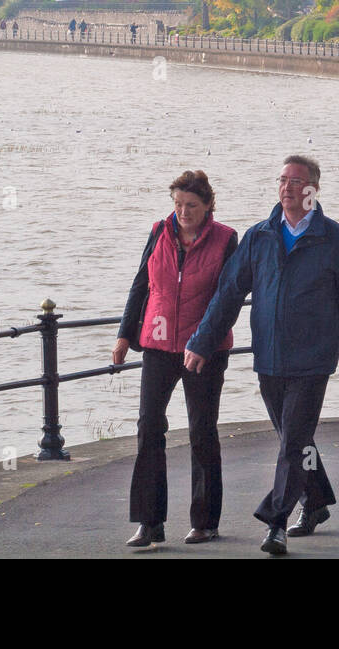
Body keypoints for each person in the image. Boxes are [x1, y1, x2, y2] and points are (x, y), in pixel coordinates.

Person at [185, 155, 339, 556]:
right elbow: (229, 294)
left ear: (313, 190)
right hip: (269, 356)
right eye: (283, 180)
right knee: (295, 438)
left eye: (297, 181)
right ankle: (317, 501)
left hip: (313, 359)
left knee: (292, 443)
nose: (288, 187)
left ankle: (275, 522)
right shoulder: (260, 237)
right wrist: (203, 341)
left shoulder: (336, 241)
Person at [115, 171, 238, 547]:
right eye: (179, 204)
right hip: (157, 343)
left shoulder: (226, 240)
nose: (183, 211)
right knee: (149, 426)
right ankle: (149, 522)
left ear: (207, 207)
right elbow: (140, 284)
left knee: (202, 430)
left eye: (192, 206)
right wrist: (123, 335)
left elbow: (228, 299)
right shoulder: (159, 232)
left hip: (204, 349)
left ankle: (205, 521)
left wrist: (203, 342)